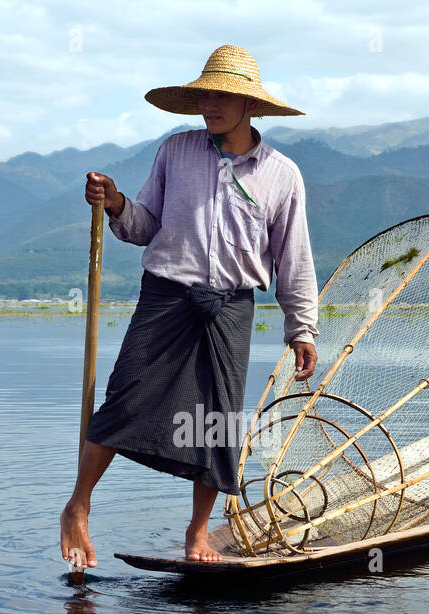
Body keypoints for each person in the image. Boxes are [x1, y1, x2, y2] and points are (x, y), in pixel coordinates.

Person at [60, 45, 319, 566]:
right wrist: (114, 203)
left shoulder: (281, 174)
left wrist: (302, 329)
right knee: (125, 399)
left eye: (222, 95)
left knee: (215, 423)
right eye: (204, 94)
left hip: (229, 307)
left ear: (250, 105)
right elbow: (146, 225)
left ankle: (198, 534)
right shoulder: (175, 152)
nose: (210, 103)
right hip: (165, 296)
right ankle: (78, 506)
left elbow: (294, 255)